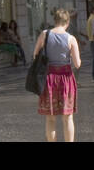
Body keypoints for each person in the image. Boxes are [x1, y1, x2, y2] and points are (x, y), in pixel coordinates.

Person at [33, 8, 81, 141]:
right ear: (68, 22)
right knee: (68, 117)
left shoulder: (44, 34)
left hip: (49, 78)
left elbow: (35, 54)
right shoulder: (71, 39)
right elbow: (77, 64)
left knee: (50, 118)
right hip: (66, 79)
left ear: (55, 21)